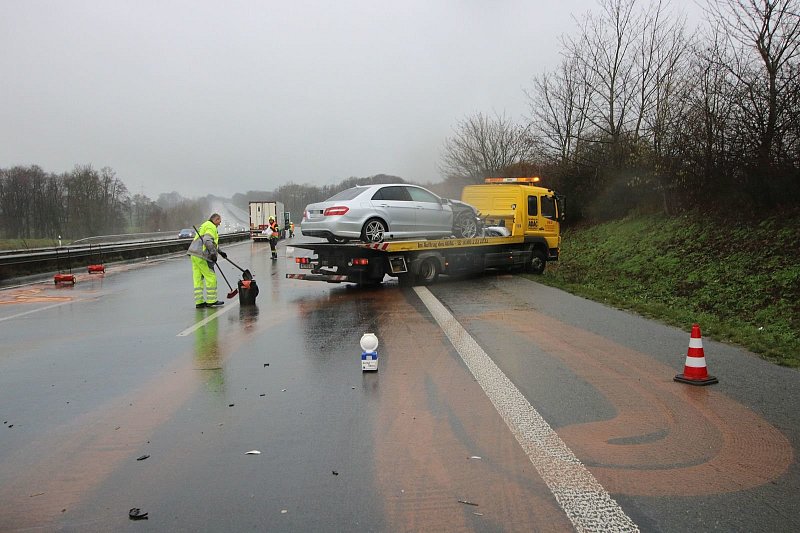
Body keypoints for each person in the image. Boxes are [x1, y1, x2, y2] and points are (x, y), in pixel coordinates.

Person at [187, 213, 228, 309]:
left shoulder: (205, 225)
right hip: (202, 255)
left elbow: (210, 242)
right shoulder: (211, 227)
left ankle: (199, 302)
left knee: (198, 278)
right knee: (211, 276)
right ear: (216, 219)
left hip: (193, 253)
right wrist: (213, 254)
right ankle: (211, 300)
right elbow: (207, 241)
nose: (219, 224)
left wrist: (220, 251)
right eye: (219, 221)